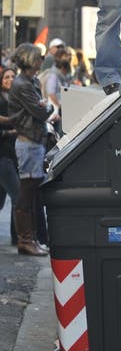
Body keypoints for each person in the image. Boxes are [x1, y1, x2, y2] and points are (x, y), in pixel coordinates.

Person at [7, 44, 55, 257]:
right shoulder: (22, 84)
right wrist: (48, 107)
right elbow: (40, 110)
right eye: (37, 59)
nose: (40, 62)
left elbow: (41, 108)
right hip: (28, 142)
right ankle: (25, 240)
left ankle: (31, 239)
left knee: (32, 192)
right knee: (26, 194)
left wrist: (45, 107)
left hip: (34, 141)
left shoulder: (30, 81)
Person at [0, 67, 19, 248]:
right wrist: (13, 131)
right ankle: (19, 237)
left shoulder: (14, 98)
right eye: (6, 77)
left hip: (12, 155)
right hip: (3, 156)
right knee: (18, 196)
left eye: (13, 76)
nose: (10, 79)